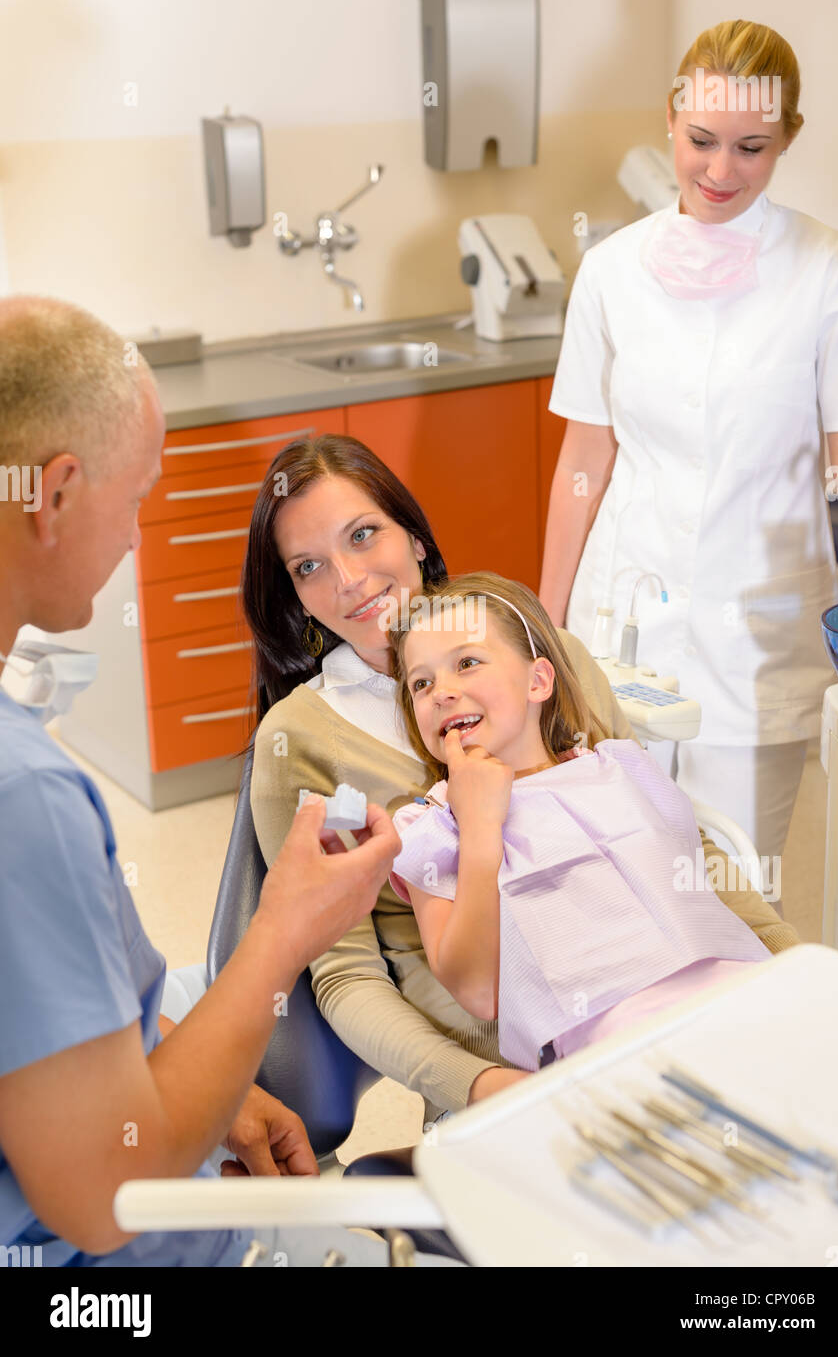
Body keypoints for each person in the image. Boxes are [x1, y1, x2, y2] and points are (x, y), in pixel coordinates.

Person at [0, 295, 459, 1268]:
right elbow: (102, 1199)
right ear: (55, 492)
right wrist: (284, 928)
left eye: (366, 536)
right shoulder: (26, 795)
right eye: (134, 501)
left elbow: (45, 1028)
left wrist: (180, 1068)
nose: (135, 539)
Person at [247, 435, 799, 1131]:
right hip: (528, 1075)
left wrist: (796, 970)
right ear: (292, 593)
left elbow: (682, 856)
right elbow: (346, 974)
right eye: (308, 566)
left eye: (363, 535)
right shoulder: (301, 742)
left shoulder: (545, 649)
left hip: (695, 1009)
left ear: (414, 537)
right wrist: (479, 1086)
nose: (350, 579)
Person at [539, 19, 838, 870]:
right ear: (670, 123)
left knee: (737, 890)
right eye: (701, 141)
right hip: (622, 621)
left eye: (751, 147)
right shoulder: (610, 271)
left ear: (788, 138)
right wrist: (544, 624)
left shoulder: (831, 273)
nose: (720, 171)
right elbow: (583, 460)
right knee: (618, 878)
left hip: (753, 642)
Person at [386, 573, 771, 1073]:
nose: (442, 692)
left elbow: (694, 886)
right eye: (422, 683)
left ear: (538, 681)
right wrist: (481, 831)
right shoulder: (434, 829)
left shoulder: (618, 766)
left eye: (467, 663)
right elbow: (479, 994)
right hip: (619, 1050)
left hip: (744, 992)